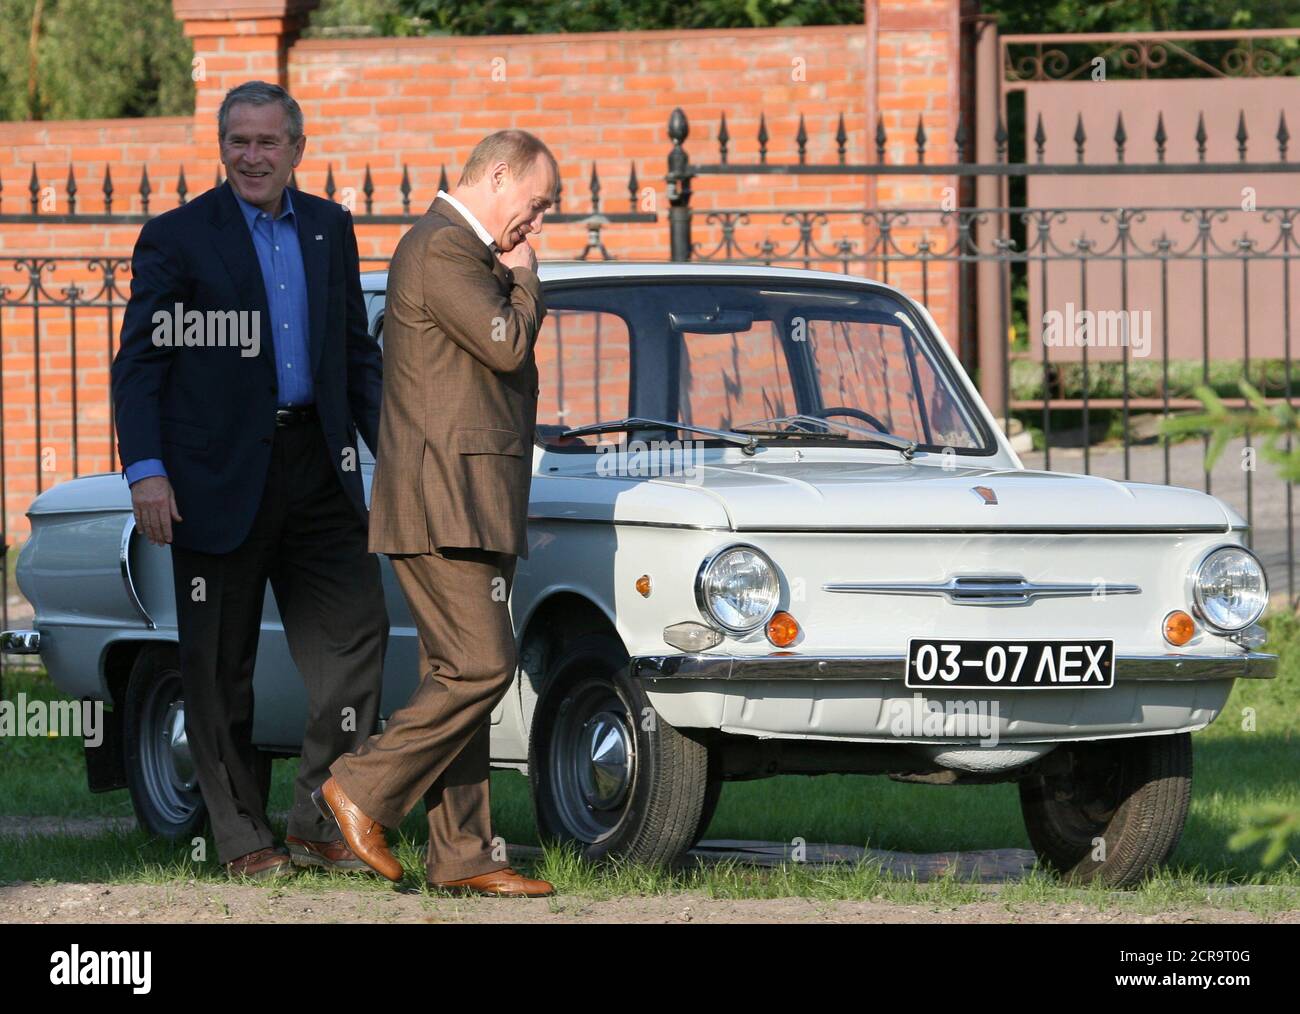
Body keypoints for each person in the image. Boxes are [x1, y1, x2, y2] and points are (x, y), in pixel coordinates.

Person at [110, 80, 388, 880]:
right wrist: (149, 470)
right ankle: (240, 837)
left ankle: (318, 816)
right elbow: (140, 366)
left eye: (269, 142)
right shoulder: (177, 238)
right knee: (216, 667)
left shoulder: (332, 229)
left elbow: (355, 360)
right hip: (213, 479)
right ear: (221, 146)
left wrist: (396, 457)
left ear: (298, 148)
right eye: (239, 141)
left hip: (319, 472)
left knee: (354, 640)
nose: (253, 156)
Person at [315, 130, 557, 897]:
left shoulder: (458, 251)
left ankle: (464, 854)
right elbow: (507, 345)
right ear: (497, 174)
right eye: (537, 201)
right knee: (486, 665)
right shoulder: (444, 249)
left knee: (457, 674)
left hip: (472, 499)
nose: (538, 222)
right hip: (443, 502)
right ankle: (359, 790)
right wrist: (528, 279)